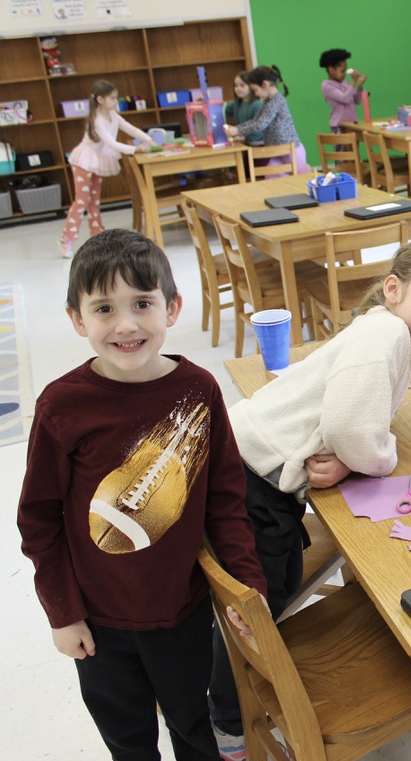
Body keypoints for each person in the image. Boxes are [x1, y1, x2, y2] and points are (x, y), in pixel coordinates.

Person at [208, 238, 411, 753]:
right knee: (259, 607)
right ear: (394, 288)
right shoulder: (387, 336)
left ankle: (228, 673)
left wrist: (347, 448)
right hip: (250, 476)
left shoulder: (383, 330)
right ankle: (227, 720)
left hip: (250, 462)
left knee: (284, 578)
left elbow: (351, 414)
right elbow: (354, 428)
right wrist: (375, 457)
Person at [17, 229, 267, 761]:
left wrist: (247, 585)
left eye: (142, 303)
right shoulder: (62, 406)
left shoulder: (198, 390)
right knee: (128, 740)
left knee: (192, 727)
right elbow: (38, 519)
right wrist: (63, 612)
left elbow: (225, 500)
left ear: (172, 308)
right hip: (98, 621)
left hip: (182, 611)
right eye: (104, 307)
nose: (126, 324)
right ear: (77, 319)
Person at [58, 80, 160, 259]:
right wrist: (135, 149)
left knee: (94, 202)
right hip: (84, 161)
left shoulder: (113, 115)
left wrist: (148, 139)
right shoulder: (97, 120)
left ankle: (96, 235)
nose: (115, 102)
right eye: (112, 98)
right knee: (81, 201)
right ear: (100, 99)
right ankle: (67, 239)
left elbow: (131, 129)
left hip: (97, 161)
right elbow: (111, 142)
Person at [223, 65, 310, 174]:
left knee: (301, 179)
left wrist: (238, 130)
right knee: (271, 178)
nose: (255, 93)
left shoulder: (277, 100)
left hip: (290, 151)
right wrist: (237, 128)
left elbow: (260, 124)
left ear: (265, 84)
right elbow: (256, 121)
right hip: (278, 152)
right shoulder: (268, 102)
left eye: (256, 90)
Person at [319, 47, 367, 133]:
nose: (344, 74)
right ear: (331, 70)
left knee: (354, 147)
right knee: (343, 147)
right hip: (339, 126)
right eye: (342, 71)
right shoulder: (326, 85)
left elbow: (357, 100)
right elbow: (345, 99)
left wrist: (359, 86)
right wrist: (353, 81)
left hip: (353, 124)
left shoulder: (344, 82)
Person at [224, 70, 264, 144]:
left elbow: (259, 129)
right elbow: (222, 111)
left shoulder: (257, 105)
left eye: (242, 85)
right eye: (236, 86)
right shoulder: (236, 104)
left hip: (257, 144)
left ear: (251, 87)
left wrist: (244, 137)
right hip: (244, 143)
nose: (238, 89)